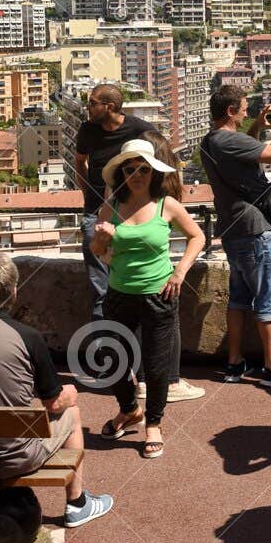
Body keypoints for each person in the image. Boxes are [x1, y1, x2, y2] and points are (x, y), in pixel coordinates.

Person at [0, 252, 114, 529]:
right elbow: (53, 404)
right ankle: (76, 504)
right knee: (72, 412)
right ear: (14, 292)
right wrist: (70, 394)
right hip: (16, 458)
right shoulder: (28, 337)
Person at [90, 139, 207, 459]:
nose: (138, 175)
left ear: (153, 172)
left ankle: (153, 424)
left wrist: (180, 272)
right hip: (119, 294)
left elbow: (197, 236)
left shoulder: (165, 204)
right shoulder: (111, 206)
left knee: (156, 367)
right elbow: (98, 253)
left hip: (159, 294)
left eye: (144, 169)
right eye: (131, 169)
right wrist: (100, 241)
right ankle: (129, 410)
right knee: (111, 360)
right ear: (122, 173)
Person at [199, 84, 271, 386]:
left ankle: (234, 363)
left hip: (232, 228)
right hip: (254, 229)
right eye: (244, 108)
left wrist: (258, 124)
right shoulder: (228, 142)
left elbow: (245, 151)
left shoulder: (211, 141)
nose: (246, 111)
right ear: (231, 111)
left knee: (240, 298)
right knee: (268, 299)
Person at [73, 85, 155, 317]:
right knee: (99, 281)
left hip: (130, 209)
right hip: (97, 208)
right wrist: (87, 192)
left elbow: (161, 159)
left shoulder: (140, 130)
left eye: (92, 103)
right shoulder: (88, 130)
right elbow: (80, 160)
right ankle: (105, 334)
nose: (88, 108)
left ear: (109, 107)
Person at [138, 129, 205, 404]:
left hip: (127, 276)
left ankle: (141, 379)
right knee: (167, 325)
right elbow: (197, 235)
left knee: (139, 327)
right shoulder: (165, 199)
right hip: (158, 275)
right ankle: (171, 381)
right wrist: (180, 271)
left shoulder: (123, 194)